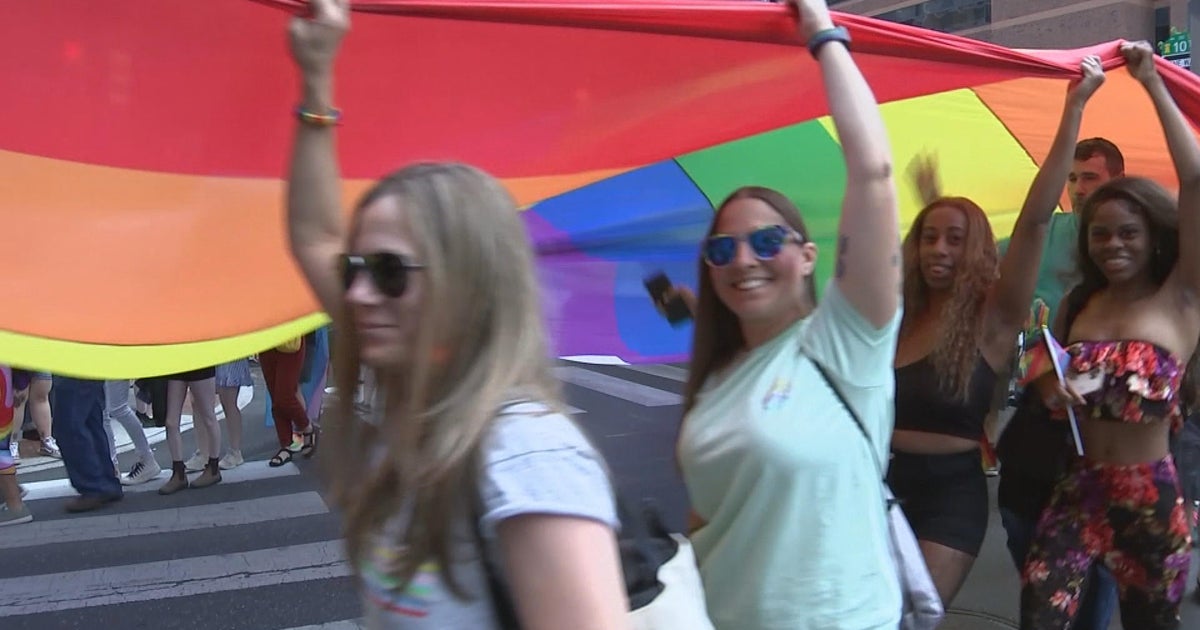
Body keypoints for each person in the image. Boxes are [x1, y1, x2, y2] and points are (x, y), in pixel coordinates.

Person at [284, 2, 629, 628]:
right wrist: (316, 75)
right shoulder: (417, 394)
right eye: (354, 271)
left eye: (390, 273)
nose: (359, 295)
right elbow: (313, 235)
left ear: (468, 290)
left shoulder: (527, 459)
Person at [671, 0, 902, 627]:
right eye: (723, 249)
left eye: (766, 242)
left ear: (805, 257)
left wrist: (824, 32)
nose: (744, 258)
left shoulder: (845, 342)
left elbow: (874, 173)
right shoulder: (715, 378)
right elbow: (712, 520)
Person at [889, 57, 1106, 606]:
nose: (939, 249)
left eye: (956, 239)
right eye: (929, 236)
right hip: (877, 487)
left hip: (949, 496)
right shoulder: (896, 315)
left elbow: (1035, 220)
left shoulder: (994, 316)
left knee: (909, 619)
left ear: (979, 250)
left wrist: (1074, 107)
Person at [1019, 41, 1199, 630]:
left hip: (1149, 500)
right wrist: (1049, 385)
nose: (1113, 245)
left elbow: (1195, 181)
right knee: (1041, 617)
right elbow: (1048, 371)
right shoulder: (1081, 304)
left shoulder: (1181, 298)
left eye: (1128, 232)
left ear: (1153, 236)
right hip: (1077, 492)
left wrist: (1152, 83)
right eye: (1100, 234)